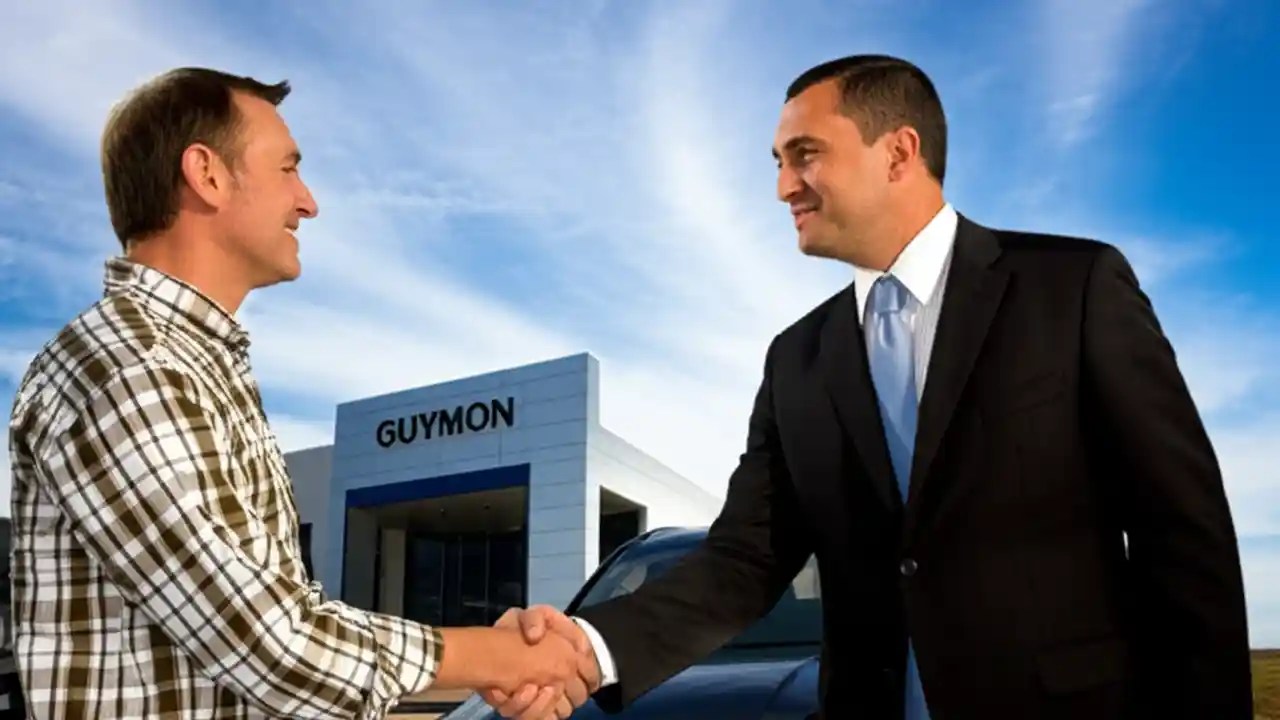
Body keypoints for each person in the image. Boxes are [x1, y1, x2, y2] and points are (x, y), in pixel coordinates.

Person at [482, 54, 1254, 719]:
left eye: (804, 154)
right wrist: (589, 647)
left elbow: (1182, 537)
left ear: (898, 151)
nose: (784, 186)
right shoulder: (796, 360)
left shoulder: (1074, 287)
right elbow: (744, 560)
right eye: (778, 163)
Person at [6, 67, 595, 720]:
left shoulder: (195, 366)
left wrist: (488, 663)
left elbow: (275, 636)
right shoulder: (125, 367)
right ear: (207, 174)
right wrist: (500, 658)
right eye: (287, 168)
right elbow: (270, 643)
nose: (308, 201)